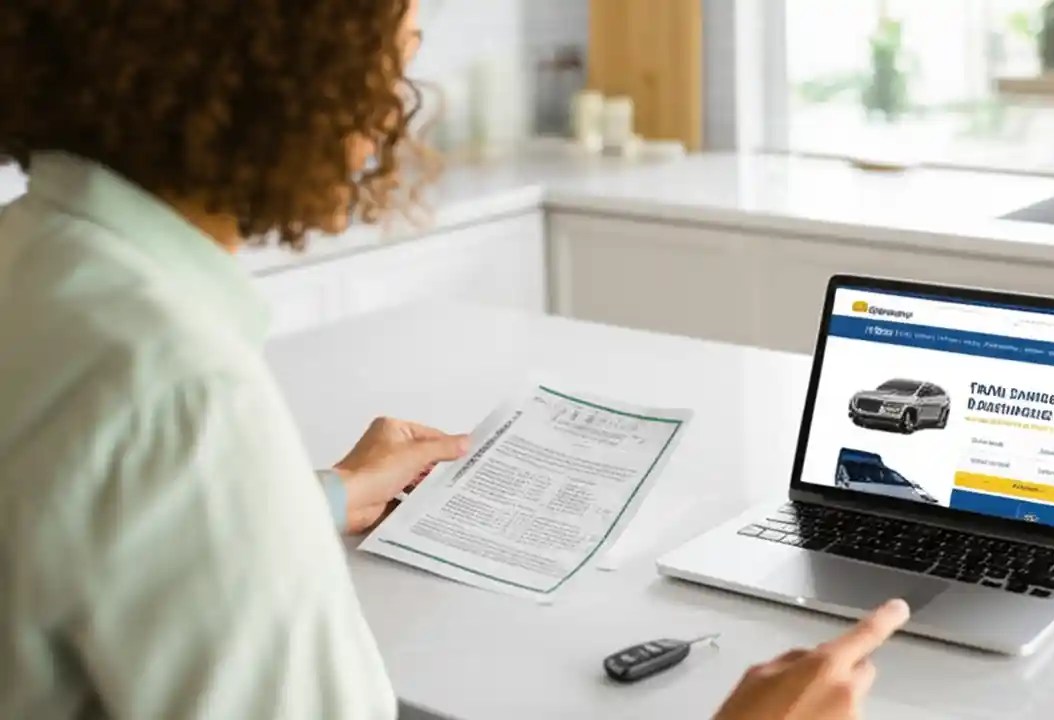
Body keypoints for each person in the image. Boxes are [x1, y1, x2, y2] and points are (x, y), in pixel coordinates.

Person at [0, 2, 909, 718]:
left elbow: (82, 539)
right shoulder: (177, 390)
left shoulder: (31, 262)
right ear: (277, 70)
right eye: (388, 60)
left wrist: (311, 500)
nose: (395, 108)